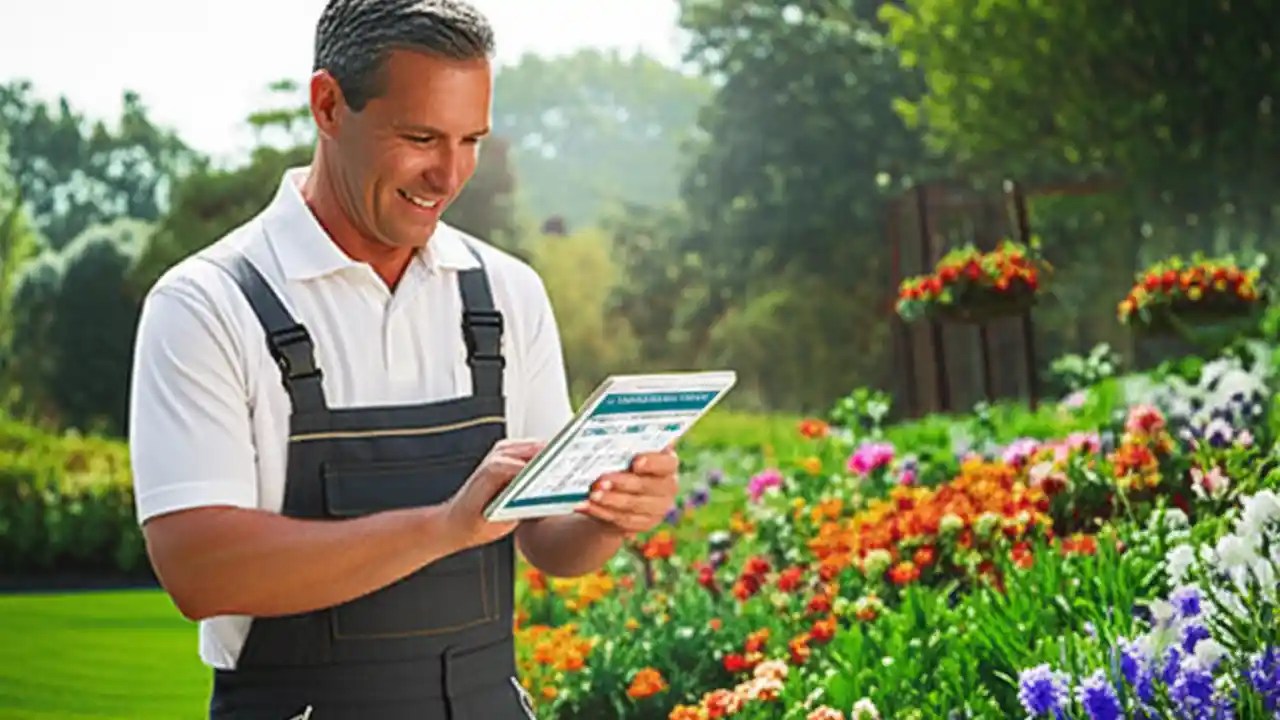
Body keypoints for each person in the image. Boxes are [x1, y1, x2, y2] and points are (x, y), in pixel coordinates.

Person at [126, 1, 680, 717]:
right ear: (328, 104)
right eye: (420, 137)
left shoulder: (507, 294)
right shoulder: (208, 304)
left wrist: (609, 517)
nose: (448, 176)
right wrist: (442, 526)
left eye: (470, 140)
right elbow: (199, 569)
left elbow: (549, 541)